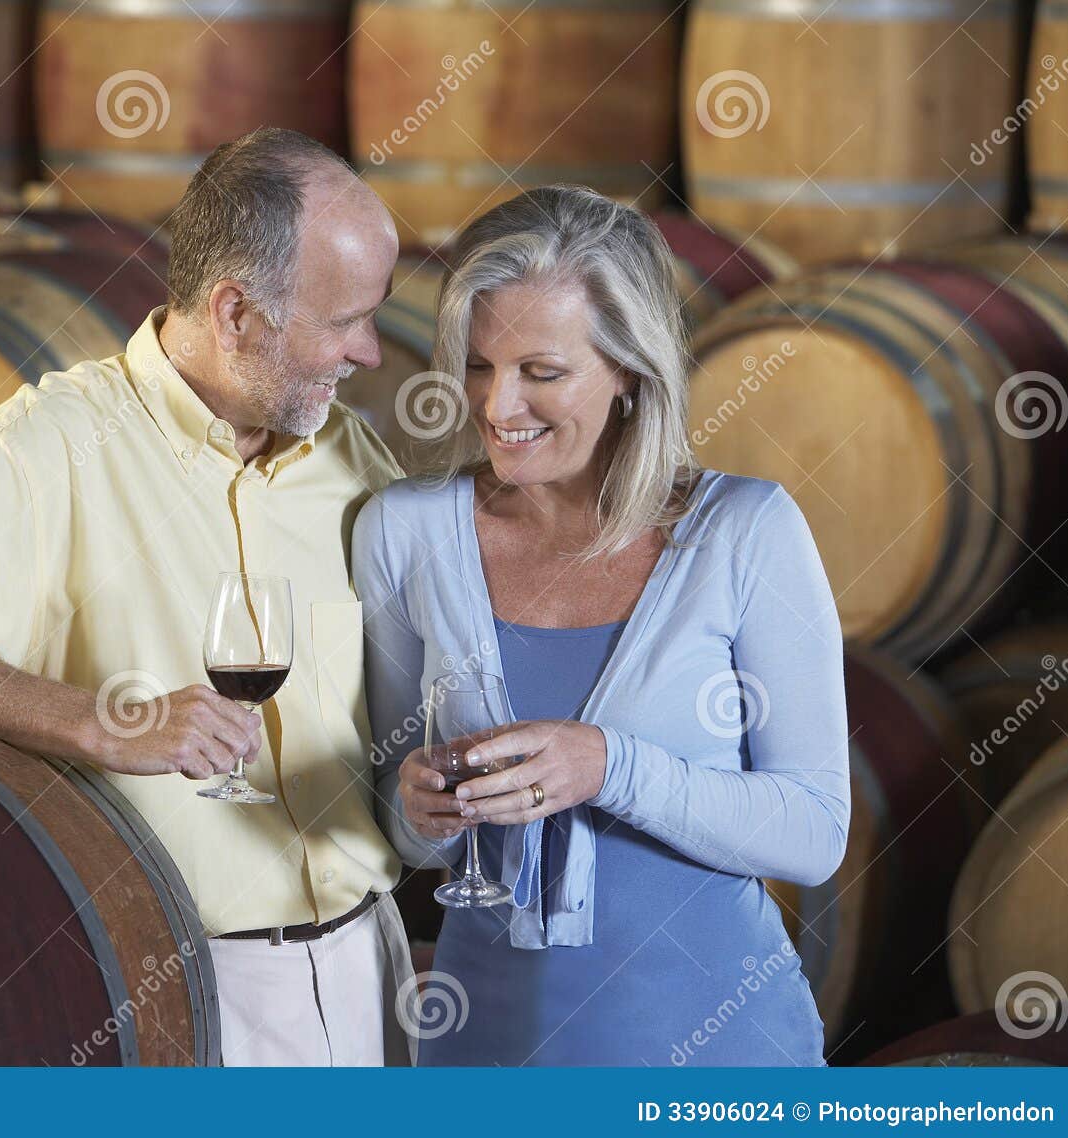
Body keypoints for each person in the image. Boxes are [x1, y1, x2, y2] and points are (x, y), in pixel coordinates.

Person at [0, 128, 416, 1066]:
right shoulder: (55, 443)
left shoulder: (350, 456)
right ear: (237, 313)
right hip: (190, 987)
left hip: (376, 971)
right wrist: (98, 723)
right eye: (344, 321)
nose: (370, 352)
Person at [351, 185, 850, 1066]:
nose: (499, 405)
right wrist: (418, 807)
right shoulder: (405, 529)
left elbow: (813, 832)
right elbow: (398, 815)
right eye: (477, 364)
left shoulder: (745, 531)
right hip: (486, 1048)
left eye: (542, 372)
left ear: (629, 369)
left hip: (724, 1054)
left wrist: (609, 765)